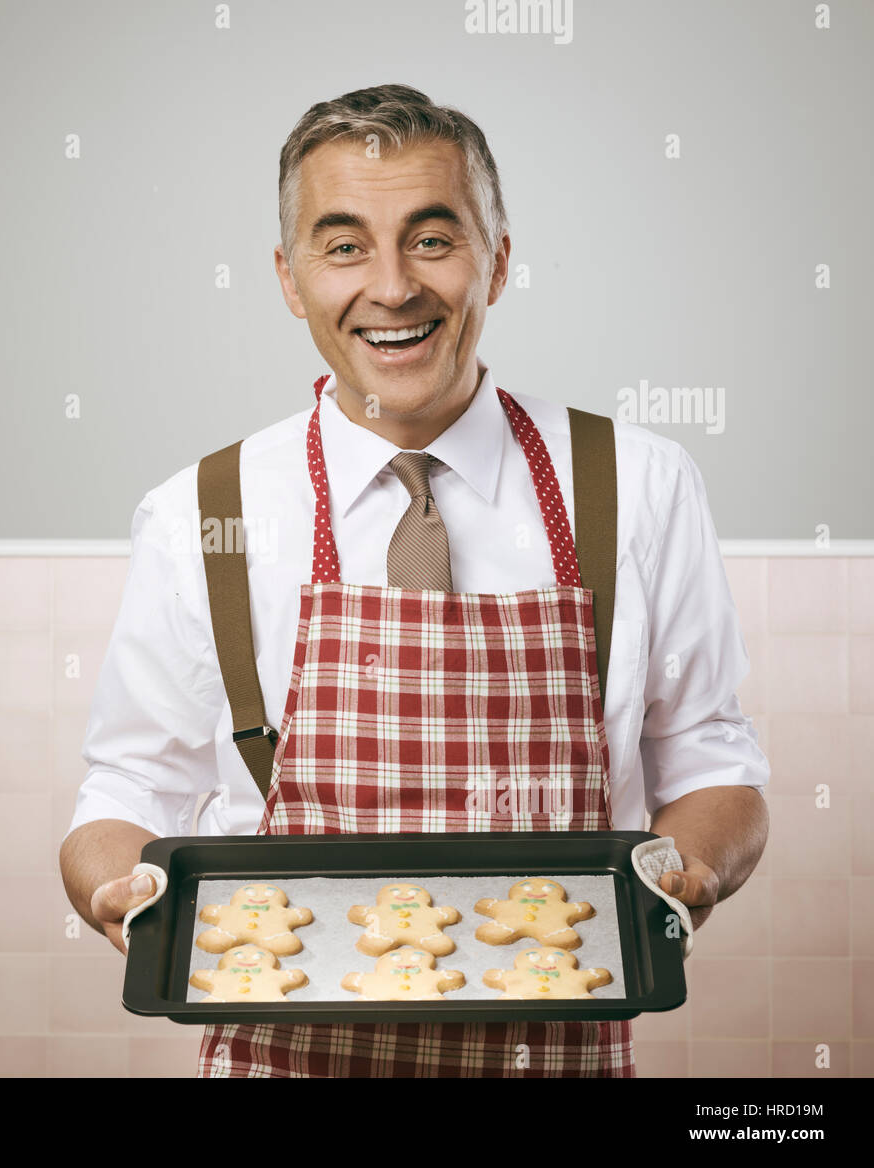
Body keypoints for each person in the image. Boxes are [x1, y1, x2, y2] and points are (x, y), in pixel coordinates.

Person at [59, 83, 769, 1077]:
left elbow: (706, 760)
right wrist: (111, 885)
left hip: (553, 1052)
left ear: (499, 258)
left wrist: (684, 873)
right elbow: (133, 778)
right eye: (343, 245)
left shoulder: (637, 485)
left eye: (431, 240)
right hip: (279, 1052)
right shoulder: (199, 510)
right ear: (289, 278)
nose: (391, 288)